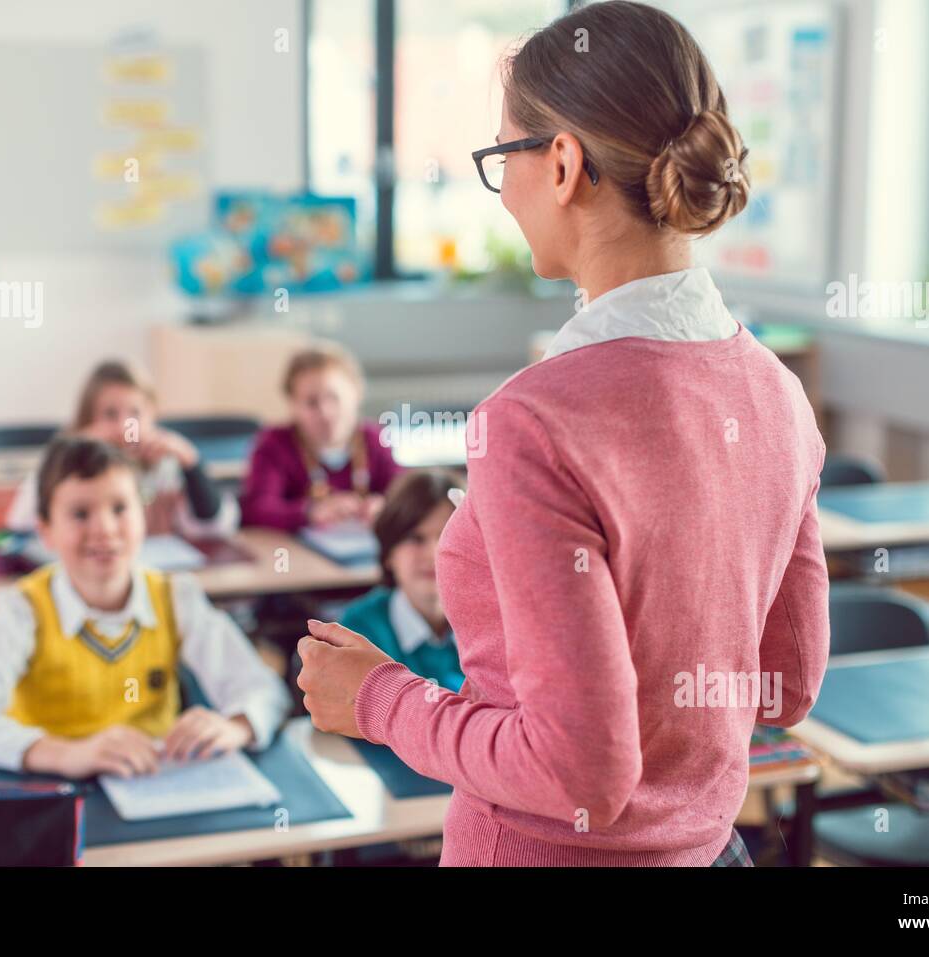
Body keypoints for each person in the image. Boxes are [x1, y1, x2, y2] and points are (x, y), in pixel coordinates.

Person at [296, 1, 830, 866]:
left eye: (504, 154)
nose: (501, 186)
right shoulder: (779, 395)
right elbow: (787, 683)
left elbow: (580, 770)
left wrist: (382, 698)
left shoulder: (533, 422)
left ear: (563, 163)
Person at [0, 436, 290, 777]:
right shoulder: (24, 610)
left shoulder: (175, 597)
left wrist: (235, 725)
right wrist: (68, 754)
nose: (104, 529)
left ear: (142, 517)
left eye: (120, 508)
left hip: (152, 785)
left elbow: (265, 689)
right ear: (46, 531)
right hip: (56, 795)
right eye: (80, 514)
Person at [6, 360, 238, 539]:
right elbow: (21, 523)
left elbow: (215, 527)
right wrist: (68, 453)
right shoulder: (70, 472)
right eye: (110, 414)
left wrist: (191, 463)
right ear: (88, 421)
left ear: (152, 414)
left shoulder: (167, 466)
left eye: (135, 413)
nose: (125, 427)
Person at [239, 344, 401, 532]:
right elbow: (256, 510)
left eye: (334, 398)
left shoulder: (375, 439)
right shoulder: (273, 444)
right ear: (293, 405)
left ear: (356, 394)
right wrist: (309, 512)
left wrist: (384, 506)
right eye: (311, 402)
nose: (325, 412)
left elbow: (404, 494)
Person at [337, 469, 465, 693]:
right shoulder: (359, 631)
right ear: (389, 553)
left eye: (447, 536)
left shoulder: (493, 627)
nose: (433, 553)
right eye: (416, 538)